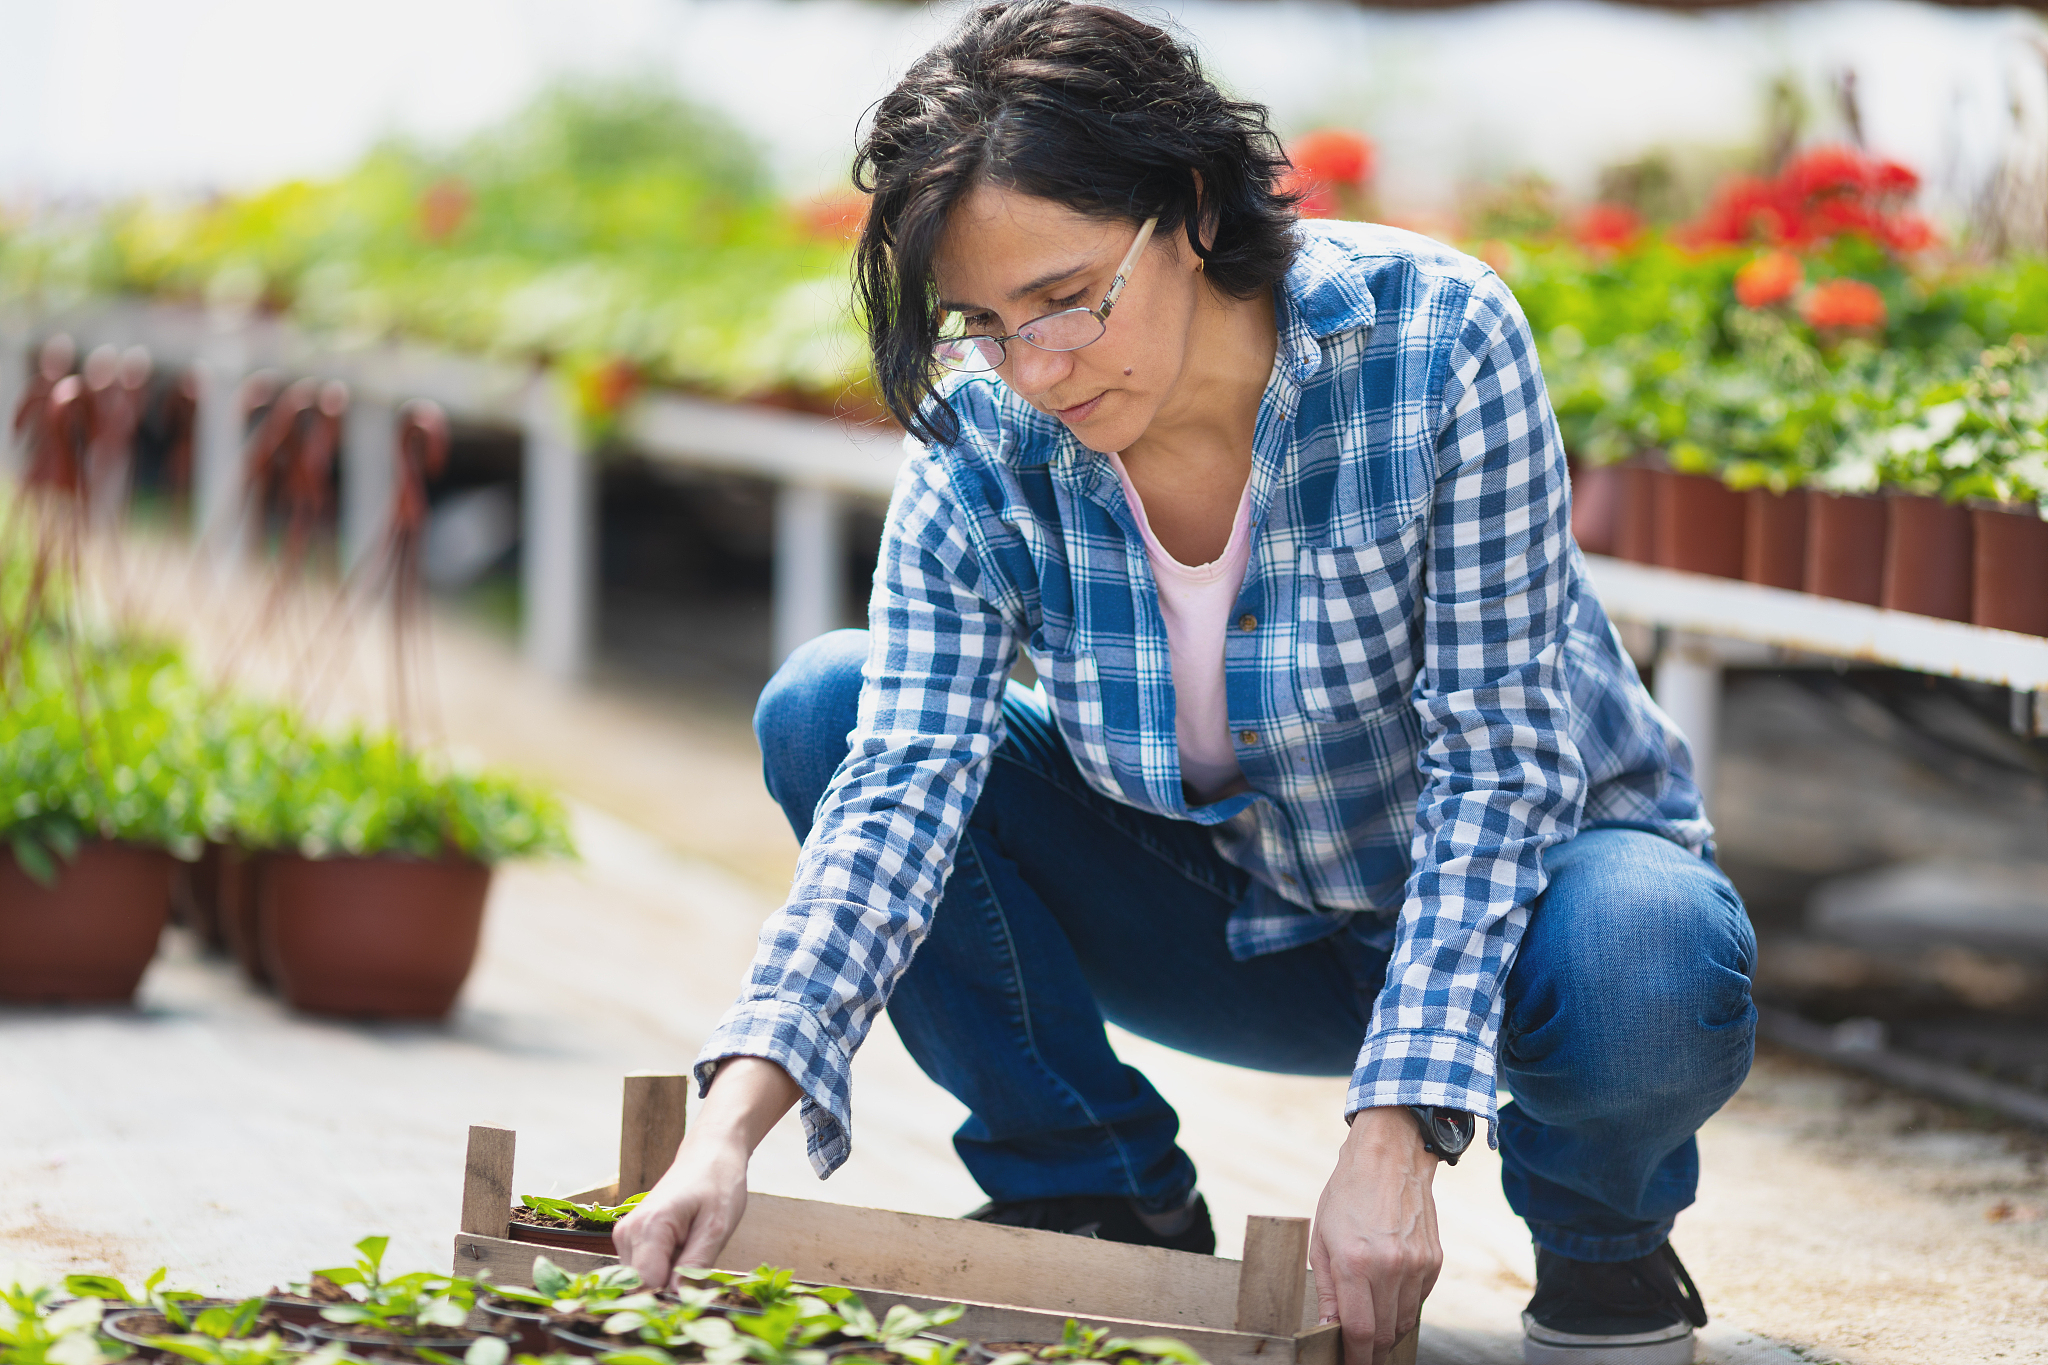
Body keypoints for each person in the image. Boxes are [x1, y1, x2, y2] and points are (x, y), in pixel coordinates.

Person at [615, 4, 1756, 1362]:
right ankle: (1098, 1195)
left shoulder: (1434, 340)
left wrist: (1394, 1135)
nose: (1034, 368)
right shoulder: (988, 432)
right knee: (829, 703)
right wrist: (731, 1125)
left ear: (1196, 207)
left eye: (1066, 298)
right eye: (982, 320)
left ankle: (1601, 1246)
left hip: (1529, 921)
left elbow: (1503, 764)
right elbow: (899, 786)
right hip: (1235, 913)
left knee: (1648, 948)